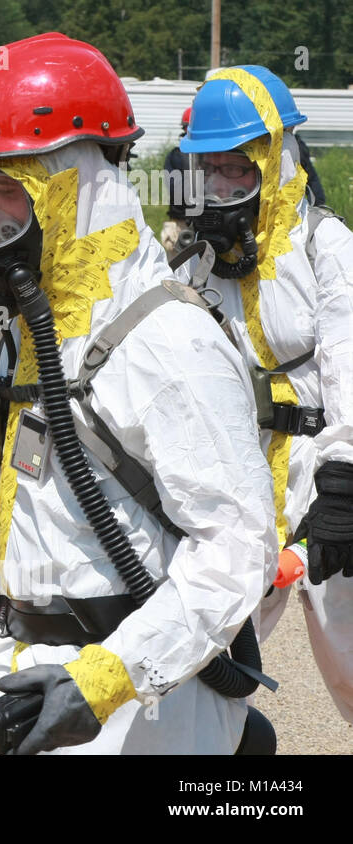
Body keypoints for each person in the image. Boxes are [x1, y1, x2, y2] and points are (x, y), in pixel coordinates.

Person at [0, 32, 277, 755]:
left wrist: (110, 678)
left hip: (137, 700)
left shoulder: (168, 339)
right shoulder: (38, 328)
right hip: (22, 674)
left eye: (3, 192)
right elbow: (47, 491)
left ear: (69, 189)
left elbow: (237, 549)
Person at [178, 65, 353, 722]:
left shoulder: (326, 247)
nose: (222, 187)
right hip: (244, 488)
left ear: (273, 161)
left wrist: (344, 485)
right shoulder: (204, 263)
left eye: (238, 170)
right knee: (205, 664)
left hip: (329, 485)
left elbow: (349, 361)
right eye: (211, 171)